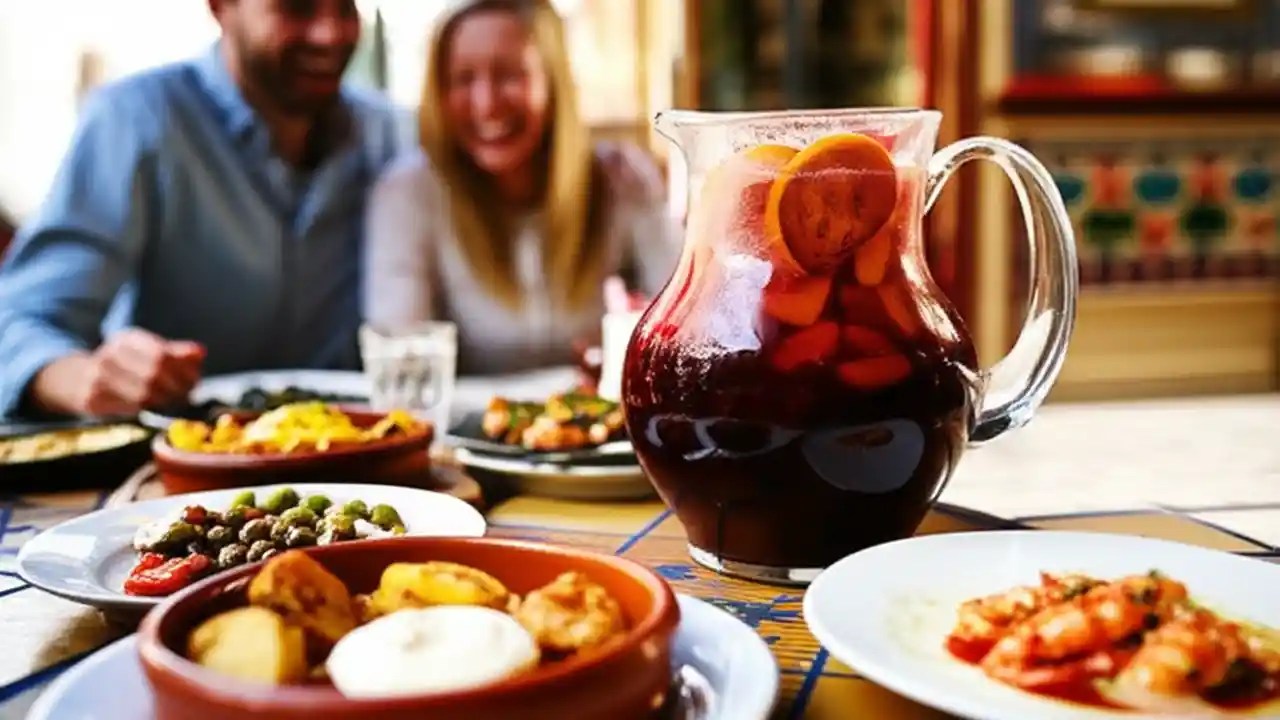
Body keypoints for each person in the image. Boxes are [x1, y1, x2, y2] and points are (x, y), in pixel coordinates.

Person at [0, 0, 401, 419]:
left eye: (346, 7)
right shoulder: (138, 120)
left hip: (357, 456)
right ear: (220, 7)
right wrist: (86, 379)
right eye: (296, 8)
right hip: (177, 459)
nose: (330, 34)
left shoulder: (391, 136)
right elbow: (19, 322)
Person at [363, 0, 679, 376]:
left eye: (510, 75)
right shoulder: (407, 194)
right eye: (463, 79)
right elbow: (403, 369)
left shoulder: (624, 179)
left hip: (598, 427)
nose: (486, 104)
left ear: (554, 81)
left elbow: (687, 322)